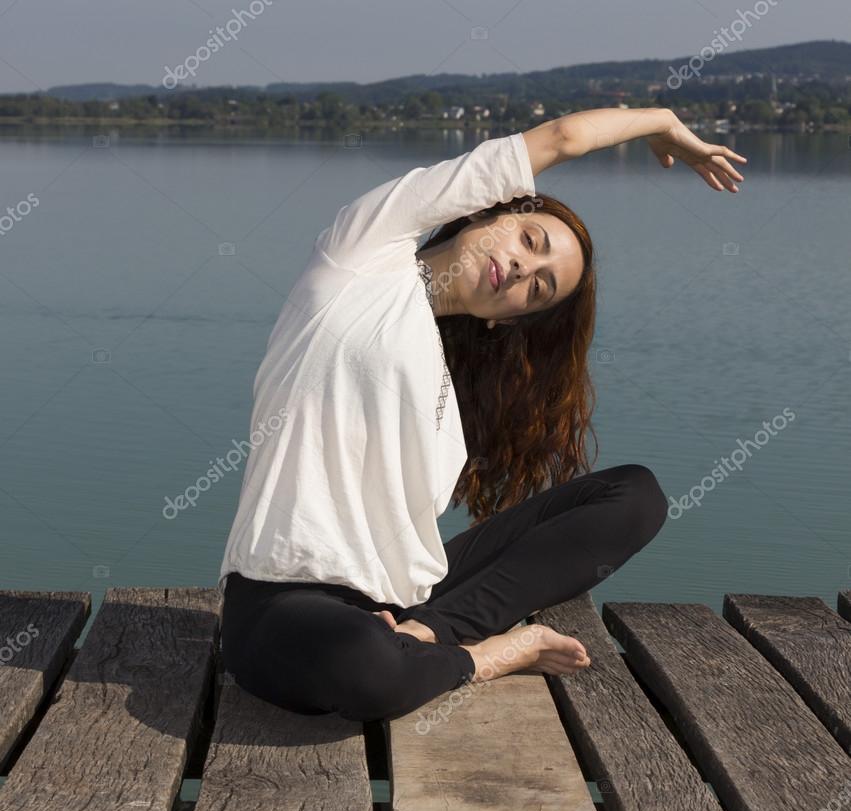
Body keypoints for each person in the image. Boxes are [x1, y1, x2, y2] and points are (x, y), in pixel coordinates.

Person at [218, 107, 747, 723]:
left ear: (506, 319)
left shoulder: (444, 397)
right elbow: (562, 138)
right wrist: (661, 121)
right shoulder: (363, 254)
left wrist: (417, 620)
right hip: (284, 601)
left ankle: (430, 635)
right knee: (365, 665)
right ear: (493, 210)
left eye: (540, 288)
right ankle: (489, 654)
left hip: (406, 605)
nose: (525, 268)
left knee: (637, 495)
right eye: (530, 240)